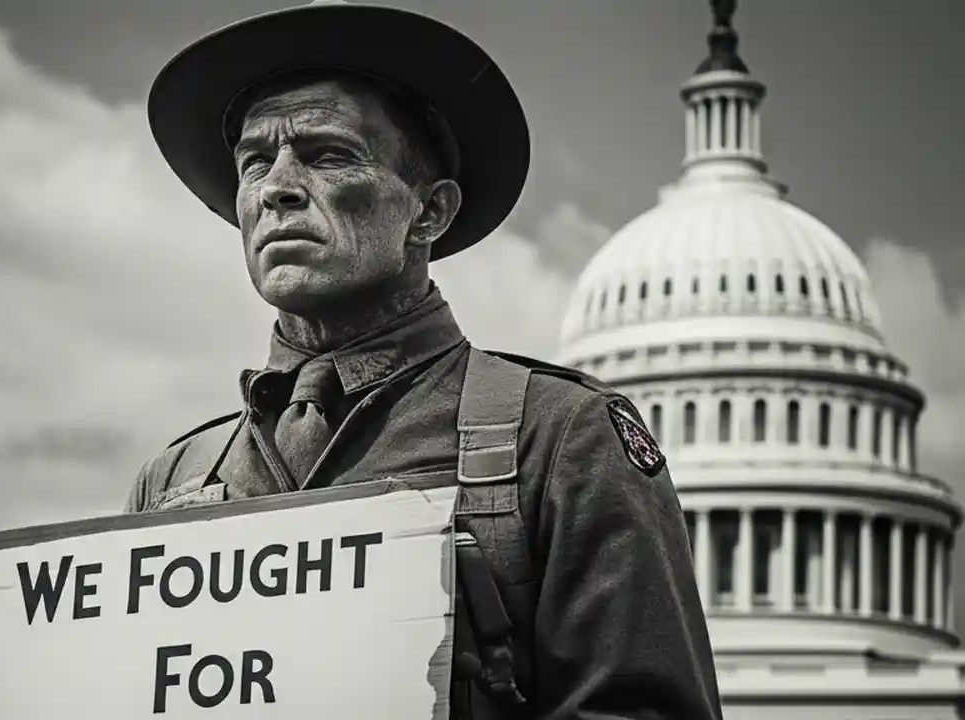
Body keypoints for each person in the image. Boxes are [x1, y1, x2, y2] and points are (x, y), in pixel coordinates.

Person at [125, 2, 723, 718]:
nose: (277, 185)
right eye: (255, 161)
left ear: (429, 213)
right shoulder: (172, 482)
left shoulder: (560, 438)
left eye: (327, 154)